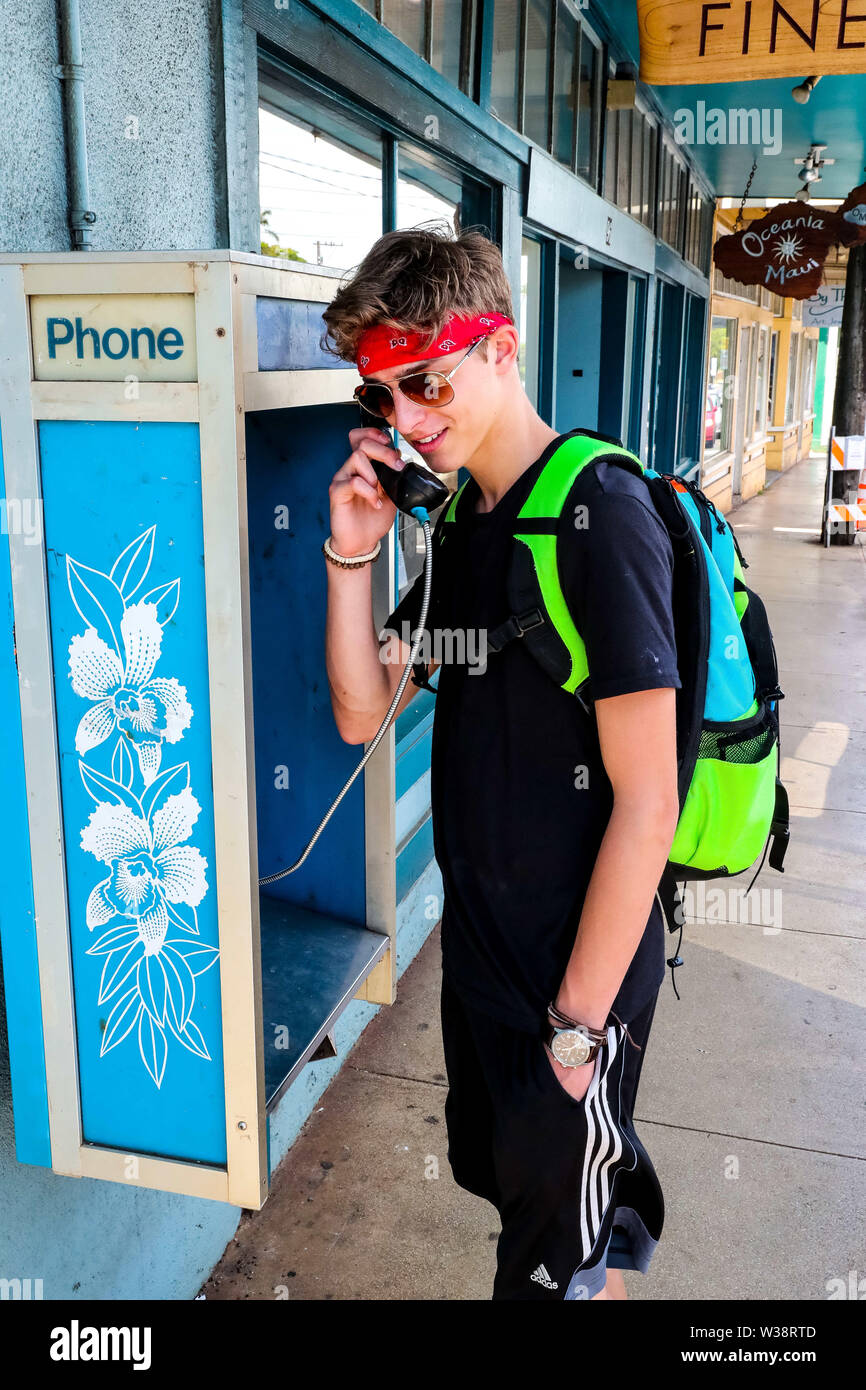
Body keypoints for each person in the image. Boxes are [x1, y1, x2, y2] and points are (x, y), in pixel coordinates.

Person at [321, 223, 681, 1301]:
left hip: (569, 980)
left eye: (425, 382)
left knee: (550, 1262)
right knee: (556, 1226)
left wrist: (574, 1031)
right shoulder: (472, 525)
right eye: (380, 399)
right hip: (487, 961)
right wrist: (352, 548)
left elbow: (647, 800)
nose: (408, 421)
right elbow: (360, 710)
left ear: (502, 349)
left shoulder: (595, 518)